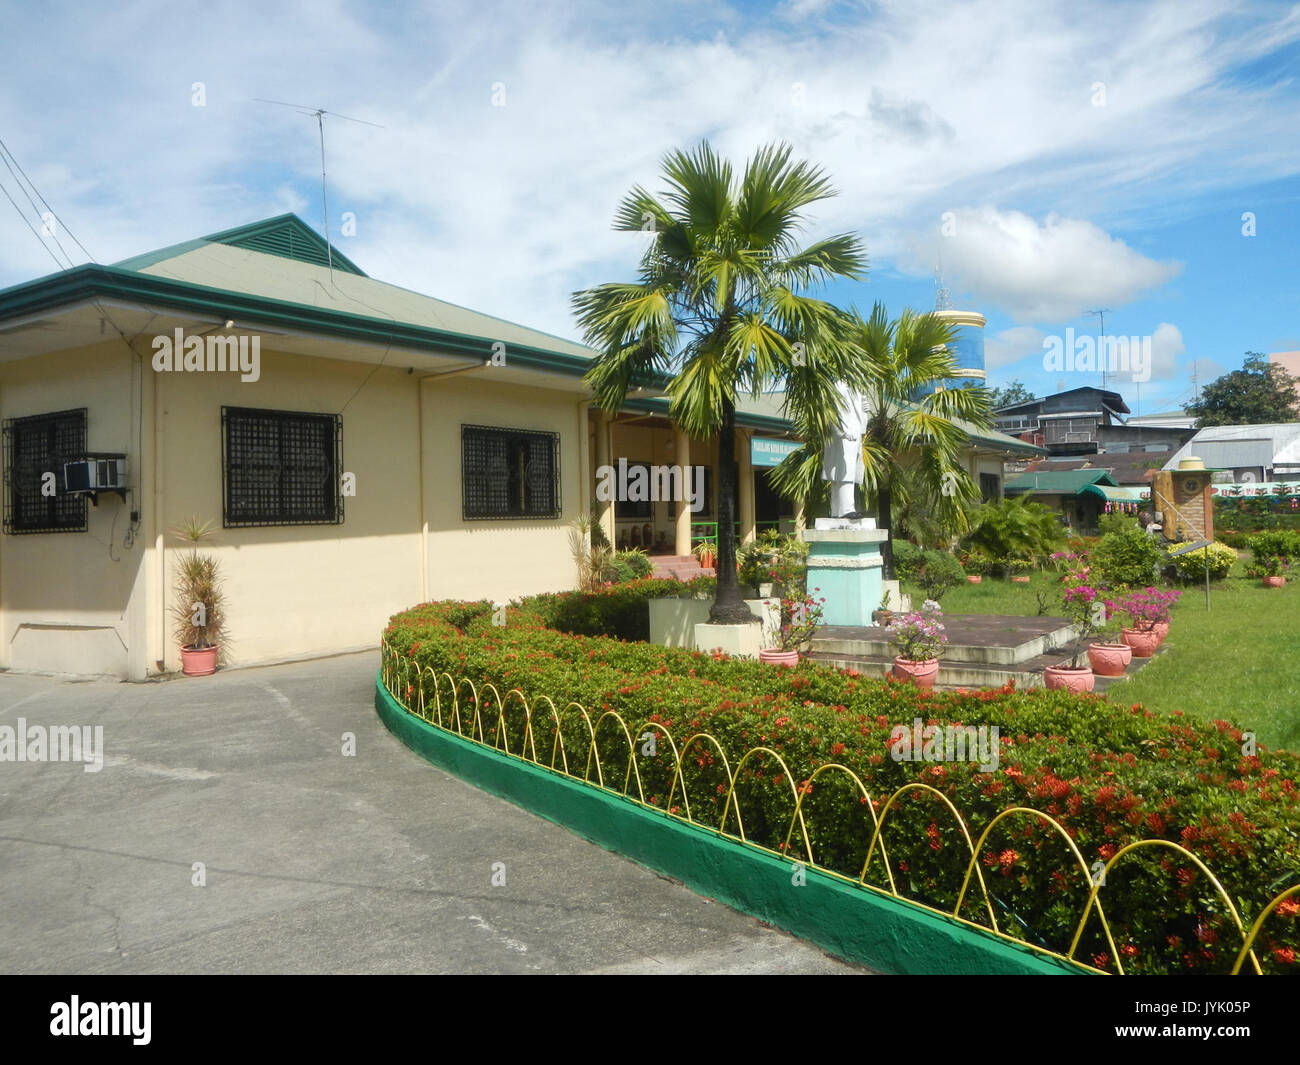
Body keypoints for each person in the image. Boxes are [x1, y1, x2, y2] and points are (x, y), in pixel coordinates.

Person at [821, 380, 867, 518]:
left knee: (847, 472)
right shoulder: (837, 385)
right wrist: (841, 432)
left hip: (854, 435)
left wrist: (865, 412)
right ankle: (846, 509)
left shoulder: (857, 388)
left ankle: (838, 511)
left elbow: (861, 415)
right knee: (843, 473)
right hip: (843, 436)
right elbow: (831, 412)